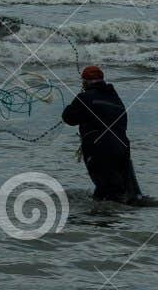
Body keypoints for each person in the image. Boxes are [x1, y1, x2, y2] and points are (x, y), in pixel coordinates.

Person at [60, 64, 142, 202]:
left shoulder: (84, 97)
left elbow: (68, 118)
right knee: (125, 193)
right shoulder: (117, 100)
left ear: (85, 82)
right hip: (122, 149)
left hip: (99, 149)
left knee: (105, 192)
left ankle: (103, 212)